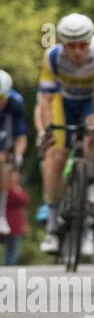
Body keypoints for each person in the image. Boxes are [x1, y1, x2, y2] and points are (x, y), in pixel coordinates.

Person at [36, 13, 94, 257]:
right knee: (56, 157)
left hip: (91, 101)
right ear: (63, 44)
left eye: (82, 45)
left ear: (90, 42)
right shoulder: (52, 57)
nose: (76, 52)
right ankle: (52, 227)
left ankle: (93, 178)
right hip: (63, 103)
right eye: (71, 46)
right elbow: (44, 100)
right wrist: (46, 131)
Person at [0, 70, 26, 238]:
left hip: (4, 140)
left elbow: (20, 136)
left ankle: (1, 214)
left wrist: (18, 155)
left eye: (2, 97)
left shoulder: (15, 102)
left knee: (3, 163)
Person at [3, 173, 28, 265]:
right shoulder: (5, 189)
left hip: (18, 220)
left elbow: (23, 208)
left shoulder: (19, 188)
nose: (16, 178)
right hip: (8, 219)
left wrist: (25, 223)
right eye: (13, 176)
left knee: (15, 249)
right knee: (11, 248)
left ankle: (9, 266)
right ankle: (8, 266)